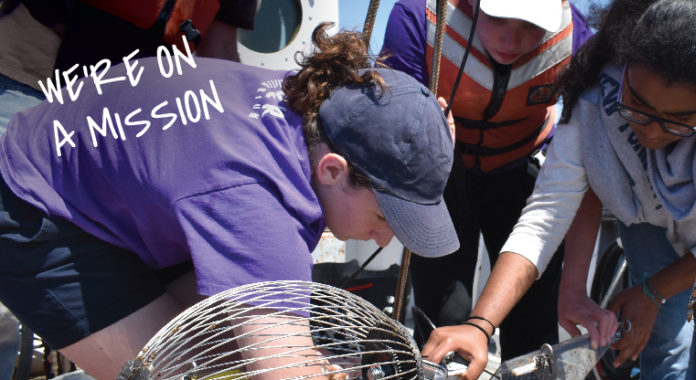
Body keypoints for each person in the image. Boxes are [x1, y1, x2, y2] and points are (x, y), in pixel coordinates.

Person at [0, 24, 458, 380]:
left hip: (116, 189)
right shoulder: (254, 203)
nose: (386, 237)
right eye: (384, 216)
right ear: (332, 170)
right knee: (191, 373)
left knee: (235, 349)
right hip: (35, 199)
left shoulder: (310, 101)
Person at [421, 0, 696, 378]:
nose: (652, 131)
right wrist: (480, 325)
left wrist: (653, 291)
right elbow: (546, 214)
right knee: (664, 350)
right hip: (646, 221)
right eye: (636, 106)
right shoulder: (593, 97)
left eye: (678, 121)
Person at [380, 0, 592, 359]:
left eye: (529, 24)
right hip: (440, 178)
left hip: (525, 177)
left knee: (533, 326)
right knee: (442, 318)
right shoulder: (417, 18)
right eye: (497, 18)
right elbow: (391, 128)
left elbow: (587, 156)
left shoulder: (577, 39)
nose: (511, 39)